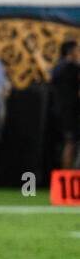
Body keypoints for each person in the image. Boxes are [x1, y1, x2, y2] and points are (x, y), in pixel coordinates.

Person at [49, 40, 80, 172]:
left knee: (68, 143)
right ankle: (67, 178)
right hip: (70, 112)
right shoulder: (71, 67)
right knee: (70, 144)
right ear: (71, 52)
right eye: (77, 50)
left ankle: (67, 177)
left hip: (60, 111)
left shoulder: (57, 68)